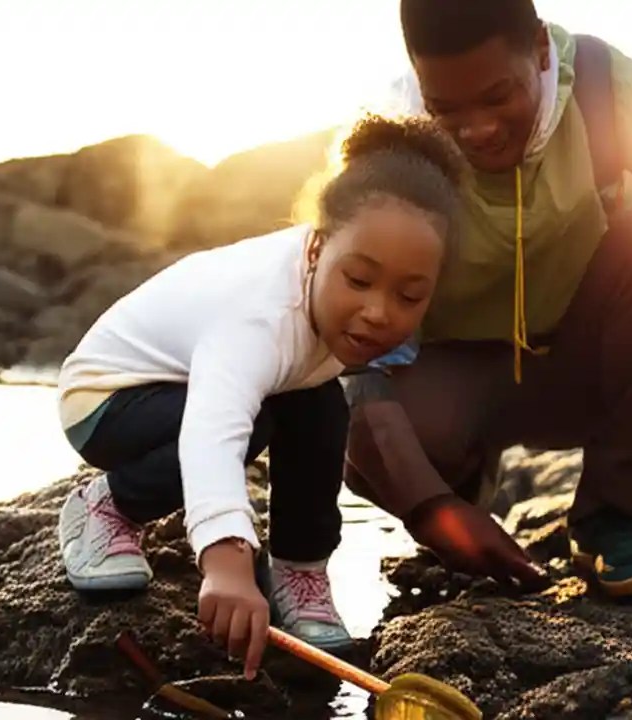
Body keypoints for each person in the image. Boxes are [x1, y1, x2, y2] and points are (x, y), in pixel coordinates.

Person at [343, 0, 632, 598]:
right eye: (446, 108)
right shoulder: (391, 147)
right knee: (373, 413)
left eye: (498, 96)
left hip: (586, 364)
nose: (477, 129)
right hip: (454, 383)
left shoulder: (597, 84)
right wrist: (429, 508)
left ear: (540, 49)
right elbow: (348, 357)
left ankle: (609, 523)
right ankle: (462, 494)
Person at [54, 115, 465, 678]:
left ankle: (299, 569)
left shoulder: (341, 307)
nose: (379, 312)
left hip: (190, 386)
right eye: (360, 281)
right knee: (262, 420)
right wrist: (227, 565)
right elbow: (212, 430)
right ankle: (107, 505)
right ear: (319, 246)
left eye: (409, 295)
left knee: (321, 405)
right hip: (106, 400)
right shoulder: (259, 316)